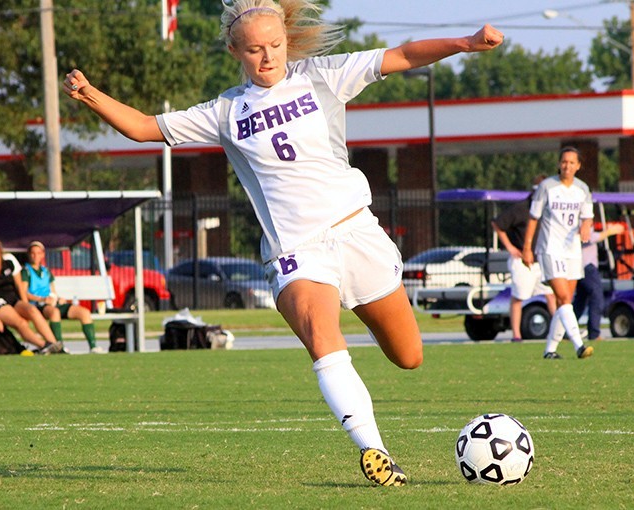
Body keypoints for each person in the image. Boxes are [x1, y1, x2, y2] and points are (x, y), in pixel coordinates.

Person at [62, 0, 503, 485]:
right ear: (235, 51)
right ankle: (375, 450)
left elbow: (402, 55)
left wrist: (465, 44)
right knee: (322, 339)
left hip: (357, 234)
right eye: (254, 49)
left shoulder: (324, 76)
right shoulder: (226, 110)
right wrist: (89, 95)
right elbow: (145, 128)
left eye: (274, 45)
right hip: (297, 250)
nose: (267, 57)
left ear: (287, 41)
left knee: (409, 356)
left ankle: (373, 425)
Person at [522, 146, 595, 359]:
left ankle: (550, 350)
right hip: (550, 249)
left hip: (572, 251)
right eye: (564, 162)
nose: (567, 166)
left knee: (566, 302)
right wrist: (527, 249)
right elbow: (533, 218)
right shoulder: (546, 187)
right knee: (563, 297)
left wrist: (585, 226)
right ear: (558, 163)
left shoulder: (582, 189)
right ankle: (579, 345)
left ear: (578, 166)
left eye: (572, 162)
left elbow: (587, 216)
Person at [491, 175, 556, 342]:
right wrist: (511, 247)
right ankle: (516, 334)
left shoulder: (547, 211)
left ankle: (559, 332)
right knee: (519, 296)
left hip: (540, 260)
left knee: (551, 294)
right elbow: (497, 224)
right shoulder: (521, 209)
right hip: (522, 261)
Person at [0, 240, 64, 354]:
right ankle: (44, 346)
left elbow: (19, 287)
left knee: (33, 310)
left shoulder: (10, 260)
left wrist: (26, 306)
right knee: (21, 323)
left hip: (13, 299)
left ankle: (55, 345)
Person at [22, 241, 103, 354]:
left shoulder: (46, 271)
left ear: (43, 254)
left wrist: (58, 298)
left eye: (38, 253)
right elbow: (24, 293)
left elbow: (53, 291)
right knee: (55, 312)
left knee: (84, 312)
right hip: (39, 305)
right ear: (29, 254)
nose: (36, 256)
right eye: (33, 253)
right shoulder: (26, 271)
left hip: (51, 302)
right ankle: (59, 346)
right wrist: (42, 299)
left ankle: (93, 346)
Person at [573, 223, 625, 341]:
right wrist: (610, 231)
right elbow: (588, 237)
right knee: (597, 298)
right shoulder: (580, 221)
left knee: (580, 301)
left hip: (583, 266)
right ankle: (594, 333)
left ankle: (565, 331)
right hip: (587, 266)